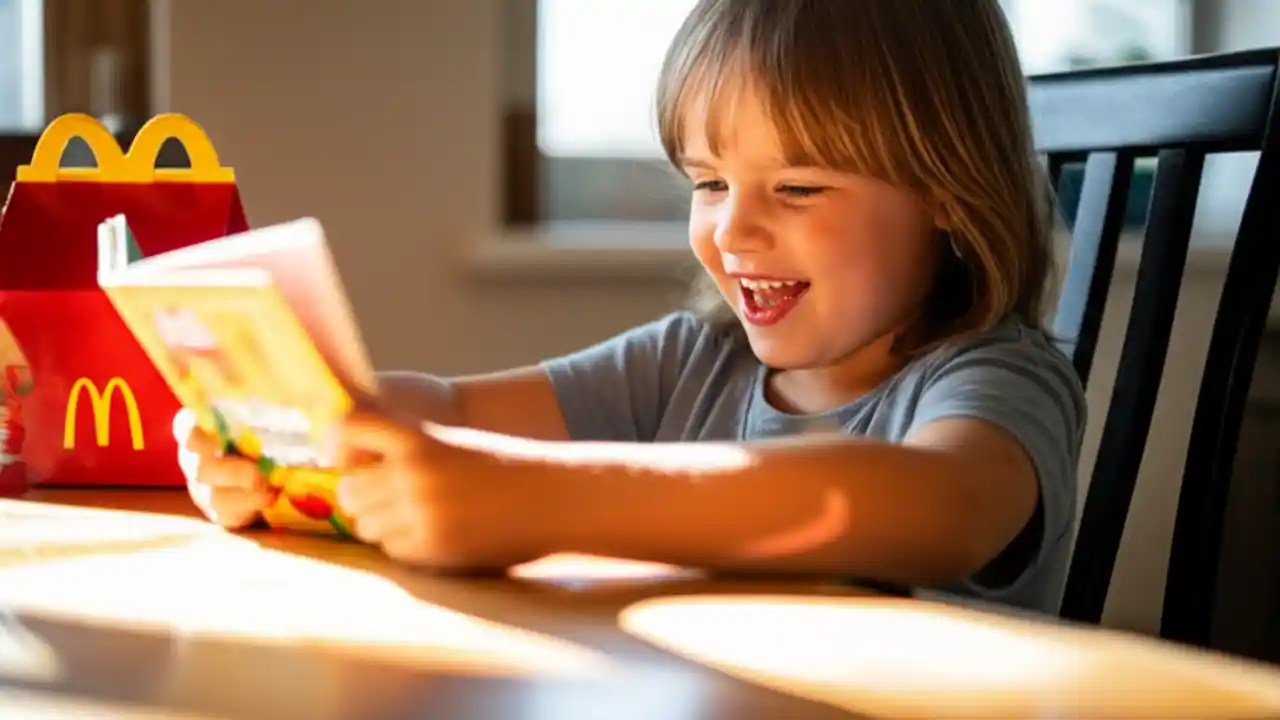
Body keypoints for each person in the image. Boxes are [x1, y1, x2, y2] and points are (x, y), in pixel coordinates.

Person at [178, 0, 1085, 614]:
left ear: (949, 196)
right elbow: (452, 410)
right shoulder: (692, 361)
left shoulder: (994, 379)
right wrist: (293, 428)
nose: (735, 230)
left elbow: (937, 507)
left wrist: (540, 499)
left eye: (799, 187)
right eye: (709, 181)